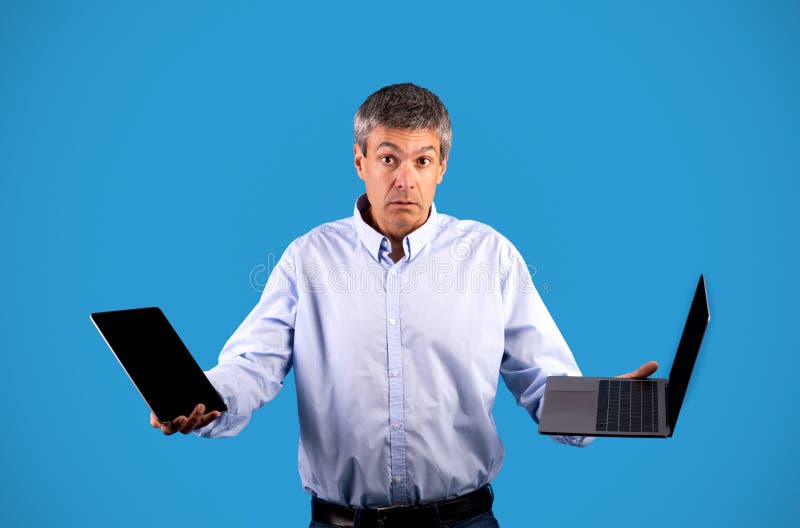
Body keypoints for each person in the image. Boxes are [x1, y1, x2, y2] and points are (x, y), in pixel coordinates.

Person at [149, 83, 658, 528]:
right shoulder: (307, 258)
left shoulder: (491, 255)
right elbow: (252, 366)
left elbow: (544, 386)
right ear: (360, 161)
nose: (405, 179)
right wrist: (202, 401)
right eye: (389, 158)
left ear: (442, 167)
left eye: (422, 160)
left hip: (465, 522)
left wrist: (612, 406)